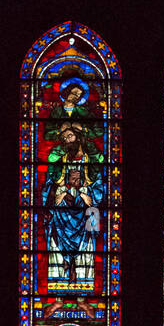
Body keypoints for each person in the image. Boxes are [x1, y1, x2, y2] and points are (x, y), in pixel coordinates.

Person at [42, 123, 104, 288]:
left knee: (89, 243)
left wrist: (84, 191)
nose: (67, 140)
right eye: (64, 138)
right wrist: (60, 191)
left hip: (85, 214)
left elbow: (98, 191)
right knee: (55, 244)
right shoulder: (59, 163)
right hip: (62, 216)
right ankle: (58, 295)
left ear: (79, 137)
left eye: (70, 136)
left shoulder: (91, 163)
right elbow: (49, 188)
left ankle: (83, 295)